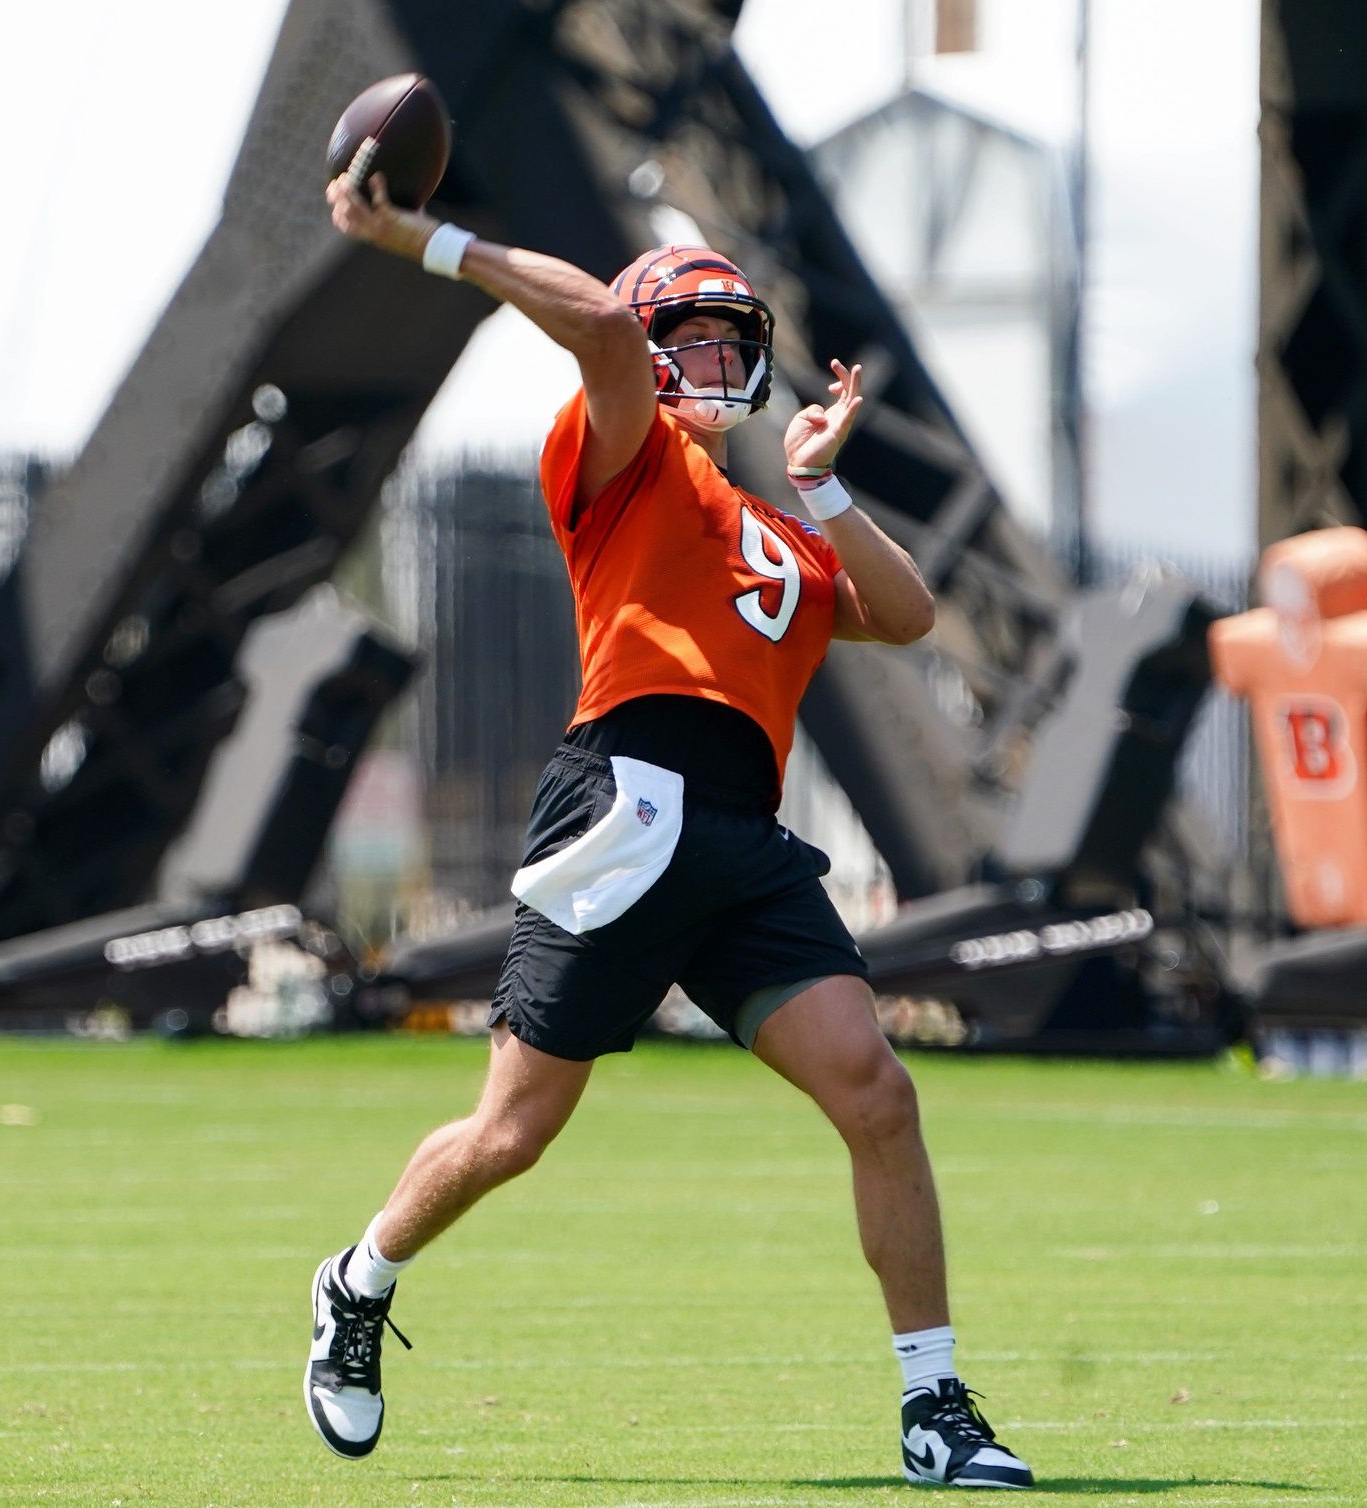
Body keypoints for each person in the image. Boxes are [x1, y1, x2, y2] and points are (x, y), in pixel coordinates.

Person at [305, 171, 1033, 1491]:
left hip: (742, 840)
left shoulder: (776, 530)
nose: (711, 360)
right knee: (512, 1136)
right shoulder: (623, 460)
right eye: (685, 339)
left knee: (878, 1091)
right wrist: (419, 236)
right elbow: (591, 328)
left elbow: (908, 613)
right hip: (624, 806)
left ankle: (934, 1404)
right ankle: (357, 1284)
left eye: (726, 342)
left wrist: (819, 487)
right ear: (644, 353)